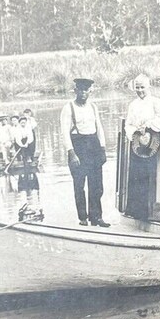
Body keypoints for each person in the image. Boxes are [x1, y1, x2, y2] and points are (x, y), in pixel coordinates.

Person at [60, 77, 109, 227]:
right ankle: (83, 218)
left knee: (96, 185)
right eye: (80, 90)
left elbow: (99, 127)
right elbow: (64, 133)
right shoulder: (68, 108)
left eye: (86, 90)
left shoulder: (93, 107)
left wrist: (103, 148)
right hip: (78, 147)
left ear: (90, 91)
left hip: (93, 145)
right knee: (79, 185)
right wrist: (71, 153)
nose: (83, 93)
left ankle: (96, 217)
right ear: (75, 91)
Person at [123, 74, 160, 220]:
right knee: (136, 176)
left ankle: (148, 213)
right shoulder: (133, 104)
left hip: (152, 143)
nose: (140, 90)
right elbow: (128, 124)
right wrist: (135, 132)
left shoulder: (155, 102)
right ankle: (135, 211)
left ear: (148, 87)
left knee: (149, 176)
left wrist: (149, 125)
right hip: (137, 142)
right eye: (137, 87)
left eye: (142, 87)